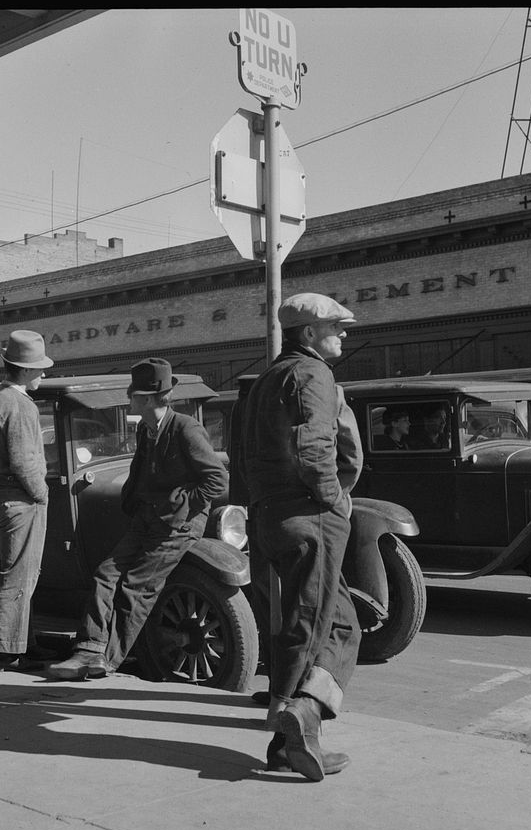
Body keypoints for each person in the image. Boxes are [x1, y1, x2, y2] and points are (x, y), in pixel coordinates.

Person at [239, 293, 362, 782]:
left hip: (271, 514)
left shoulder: (268, 377)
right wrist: (332, 499)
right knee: (312, 625)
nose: (344, 334)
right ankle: (301, 721)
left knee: (337, 622)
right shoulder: (313, 375)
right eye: (336, 326)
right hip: (309, 513)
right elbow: (315, 447)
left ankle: (287, 738)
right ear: (309, 334)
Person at [46, 357, 227, 681]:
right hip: (146, 519)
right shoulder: (147, 429)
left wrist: (183, 504)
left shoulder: (185, 428)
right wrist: (135, 502)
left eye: (133, 395)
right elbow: (141, 474)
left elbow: (217, 480)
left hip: (178, 526)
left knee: (136, 587)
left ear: (147, 398)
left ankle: (106, 660)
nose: (129, 399)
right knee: (105, 574)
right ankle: (87, 650)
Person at [0, 330, 54, 671]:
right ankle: (5, 651)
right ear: (26, 370)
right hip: (19, 501)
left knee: (15, 572)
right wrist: (41, 494)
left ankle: (22, 644)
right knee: (19, 576)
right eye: (40, 369)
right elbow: (23, 461)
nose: (43, 375)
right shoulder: (21, 405)